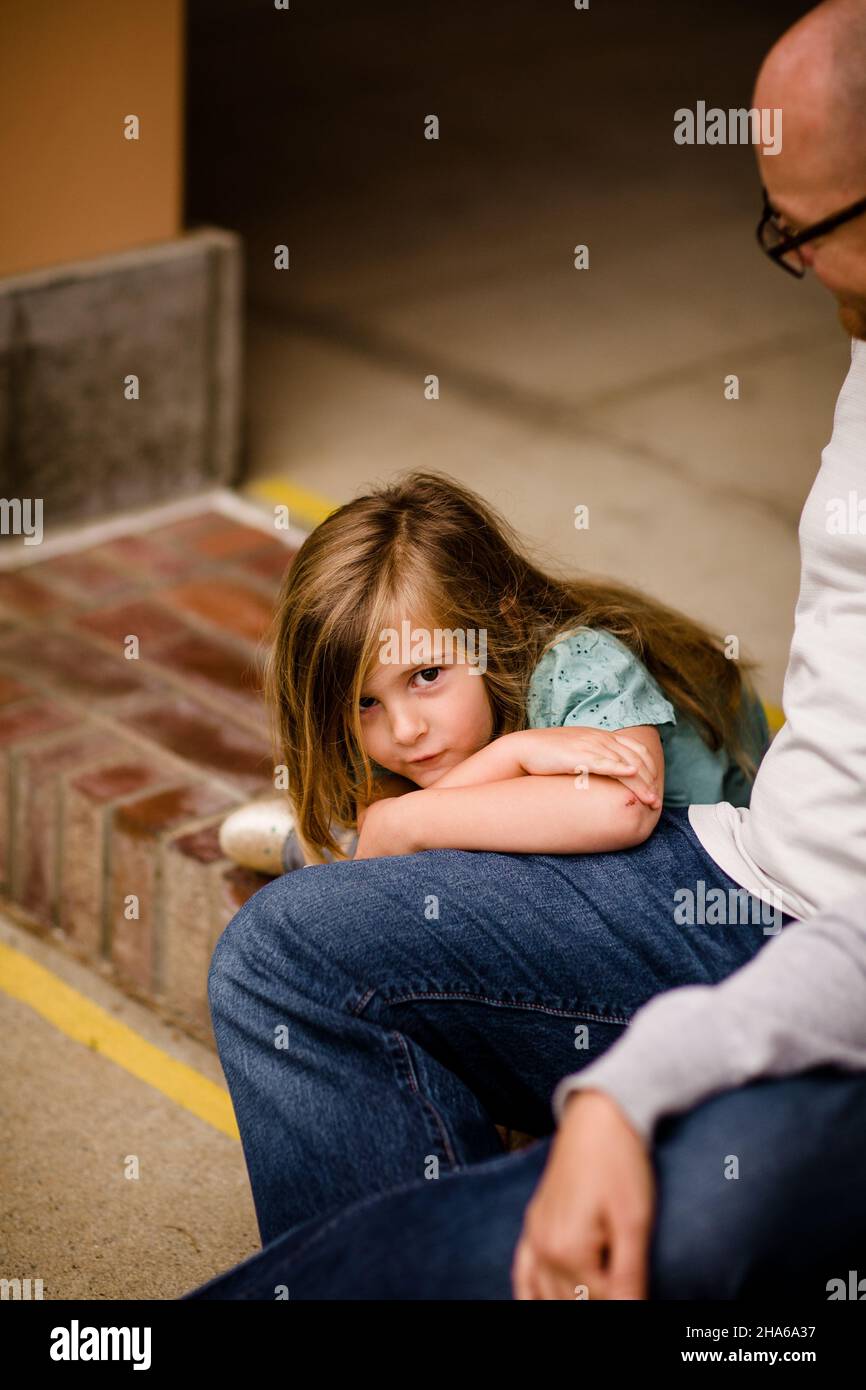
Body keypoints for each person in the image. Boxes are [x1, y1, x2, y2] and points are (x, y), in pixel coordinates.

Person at [185, 0, 866, 1300]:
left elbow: (623, 793)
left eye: (805, 228)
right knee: (282, 955)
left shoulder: (585, 677)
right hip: (747, 874)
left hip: (802, 953)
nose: (787, 258)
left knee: (688, 1225)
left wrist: (639, 1080)